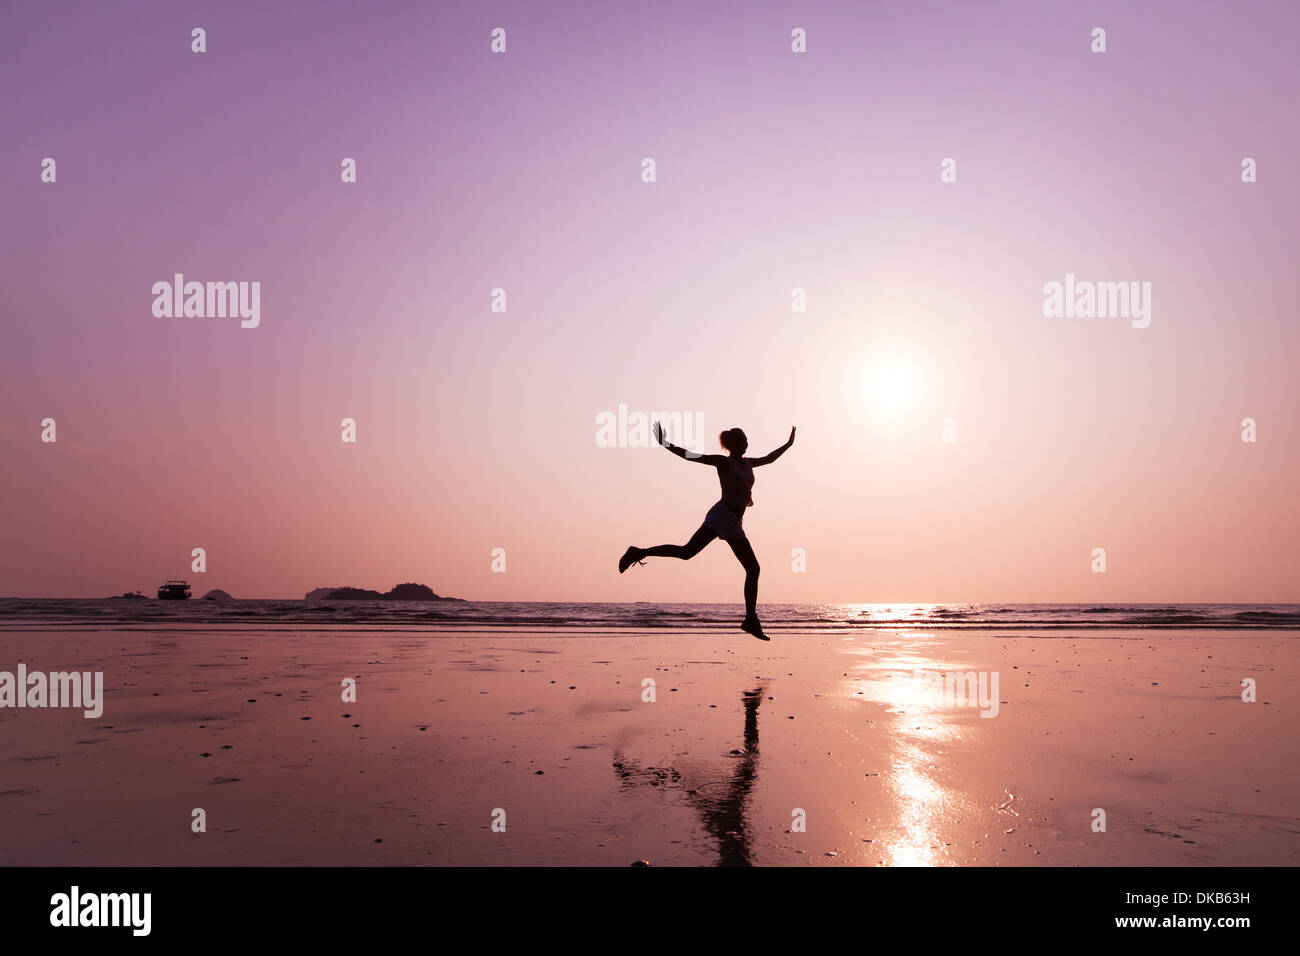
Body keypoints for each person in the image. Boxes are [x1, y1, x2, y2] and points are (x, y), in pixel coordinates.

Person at [619, 422, 795, 640]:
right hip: (721, 516)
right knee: (687, 552)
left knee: (753, 569)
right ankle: (639, 551)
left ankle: (751, 620)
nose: (747, 443)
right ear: (733, 444)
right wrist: (665, 443)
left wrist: (788, 444)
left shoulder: (748, 463)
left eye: (747, 440)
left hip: (735, 523)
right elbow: (691, 456)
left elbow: (769, 458)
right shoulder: (723, 462)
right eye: (743, 440)